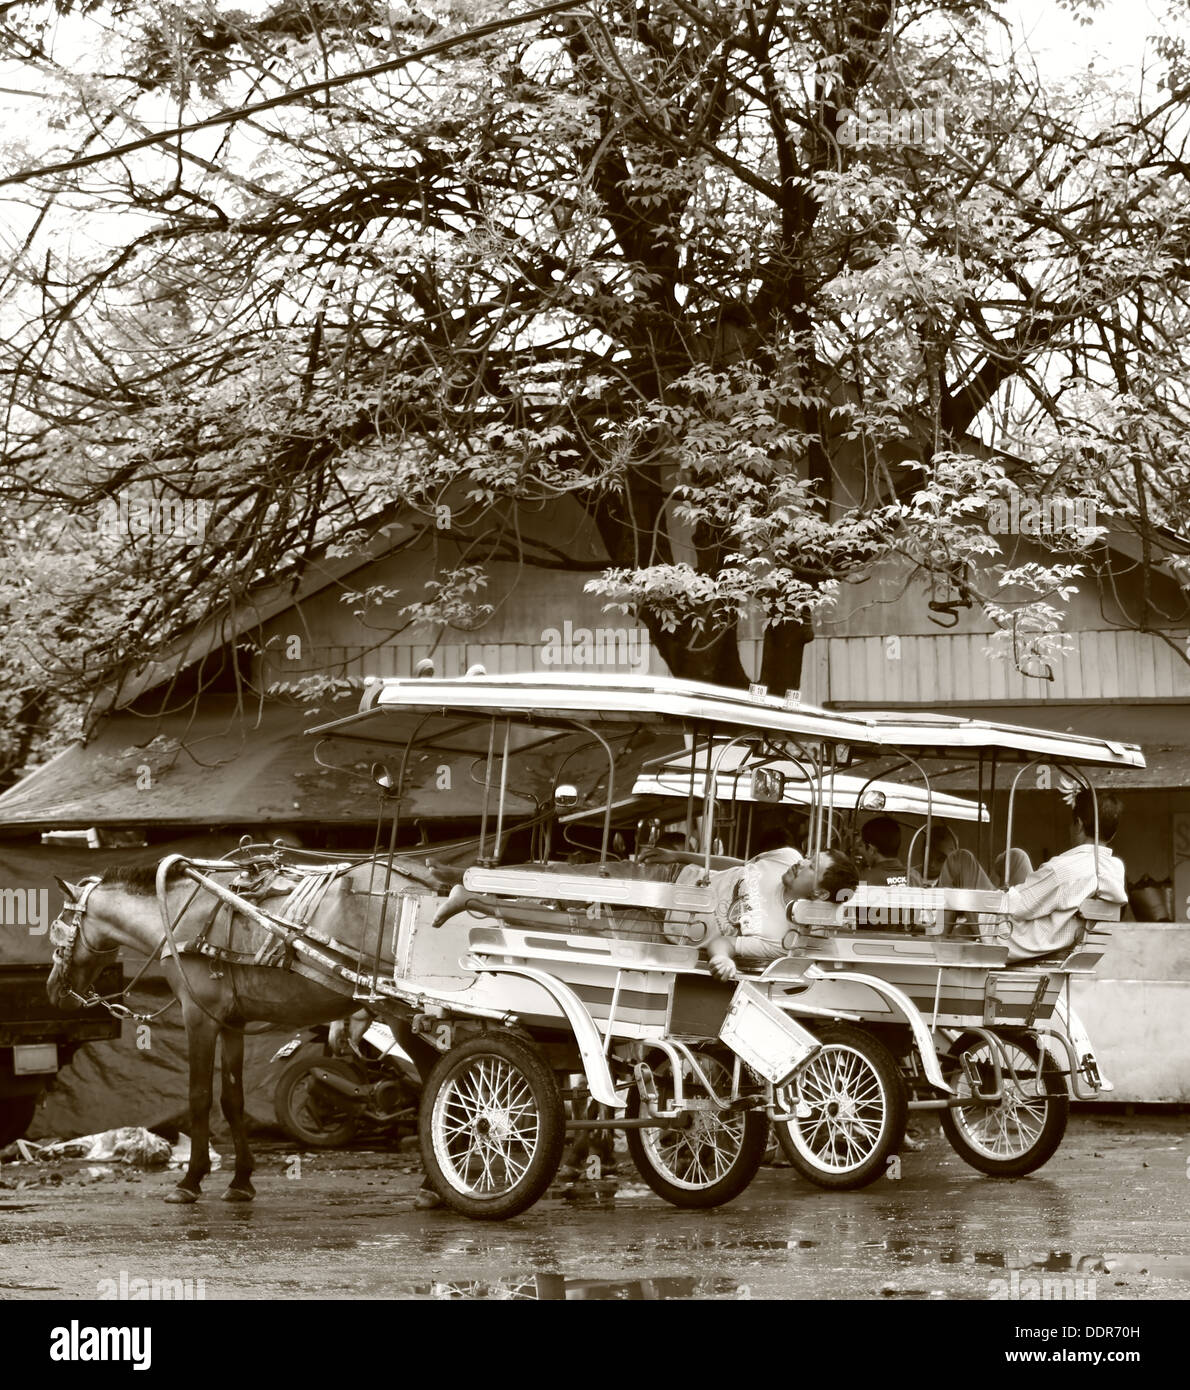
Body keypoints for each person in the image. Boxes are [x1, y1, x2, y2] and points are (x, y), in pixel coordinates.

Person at [999, 790, 1127, 963]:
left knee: (962, 860)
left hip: (1015, 941)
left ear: (1079, 824)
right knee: (1016, 856)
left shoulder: (1062, 869)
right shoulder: (1115, 869)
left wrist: (994, 894)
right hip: (1060, 933)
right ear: (1113, 834)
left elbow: (1016, 907)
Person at [704, 848, 859, 982]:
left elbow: (724, 943)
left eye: (812, 867)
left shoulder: (782, 940)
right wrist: (682, 856)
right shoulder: (787, 856)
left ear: (820, 893)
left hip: (680, 929)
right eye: (809, 857)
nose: (802, 862)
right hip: (683, 871)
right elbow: (738, 865)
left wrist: (722, 958)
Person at [858, 817, 908, 887]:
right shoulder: (915, 877)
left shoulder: (865, 879)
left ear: (871, 849)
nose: (860, 851)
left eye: (861, 845)